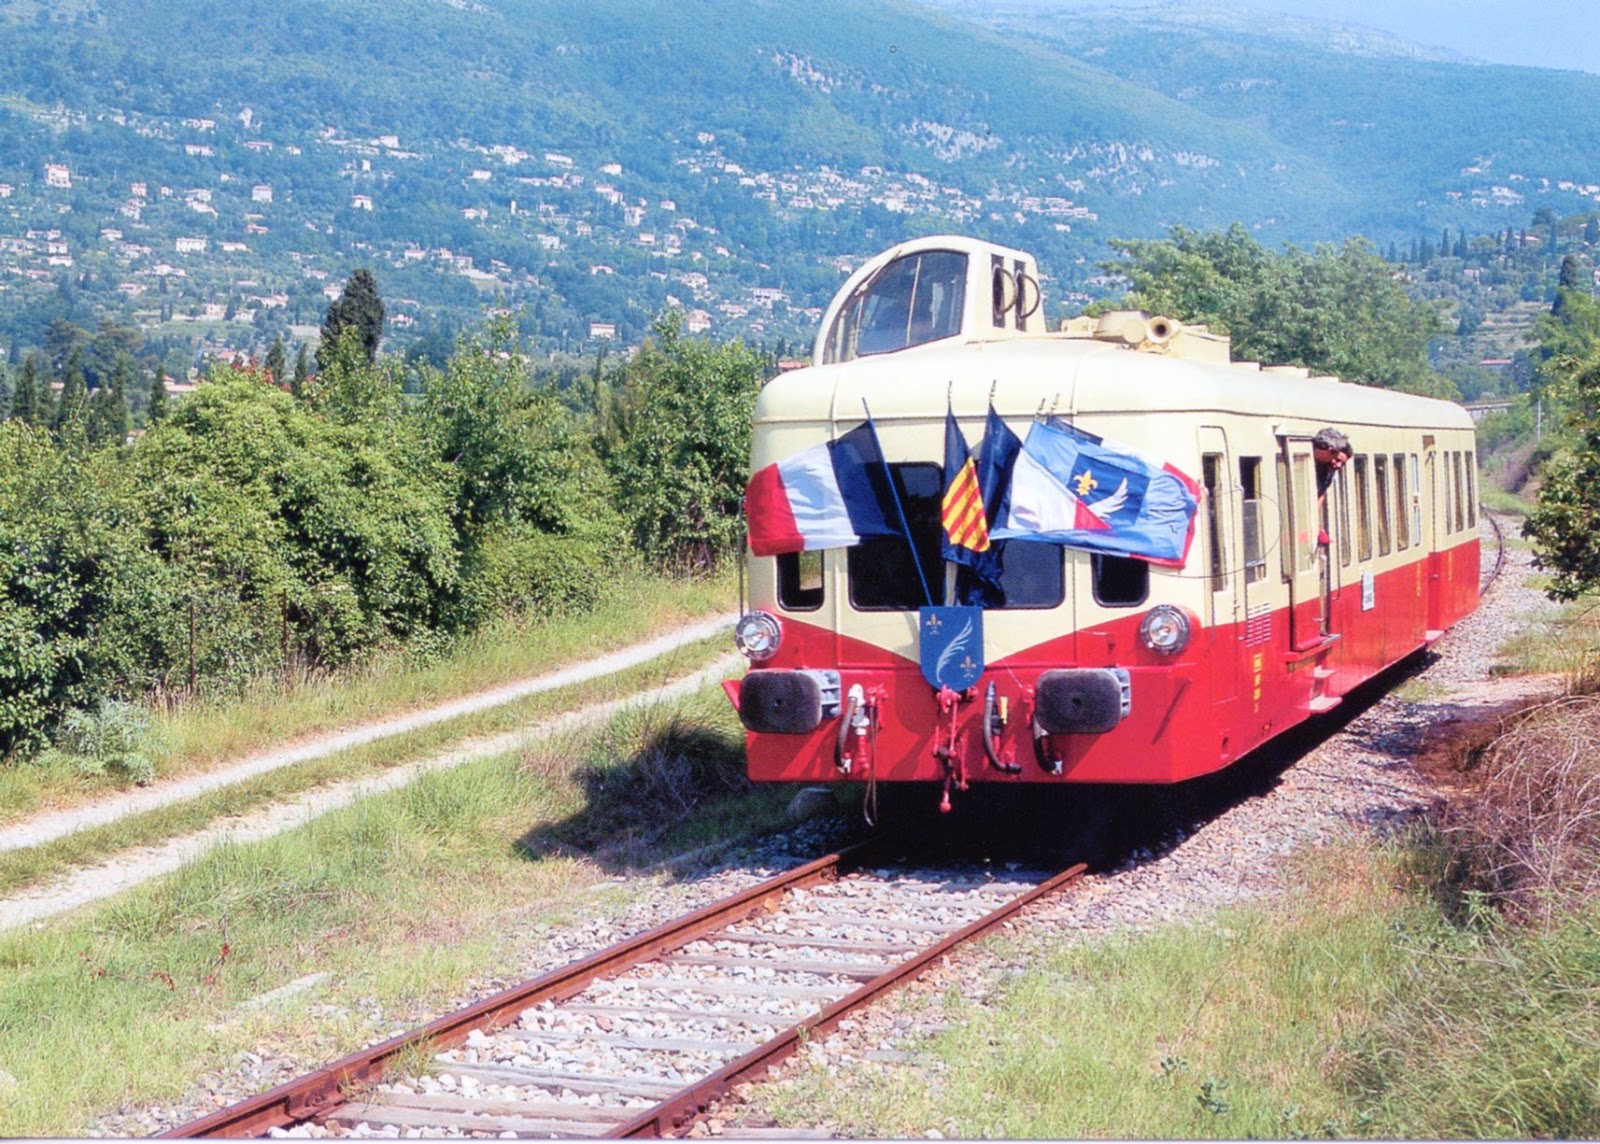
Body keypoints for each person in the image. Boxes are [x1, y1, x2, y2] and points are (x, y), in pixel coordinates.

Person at [1311, 426, 1351, 548]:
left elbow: (1320, 495)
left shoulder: (1329, 471)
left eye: (1342, 464)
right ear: (1330, 450)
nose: (1337, 465)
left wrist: (1314, 523)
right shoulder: (1312, 465)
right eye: (1336, 459)